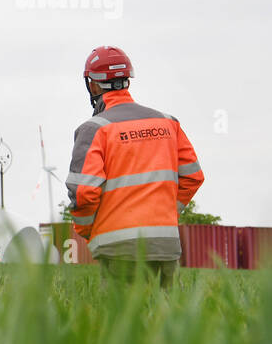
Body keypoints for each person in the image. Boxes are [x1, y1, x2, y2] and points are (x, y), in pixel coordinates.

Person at [66, 46, 204, 287]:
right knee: (166, 319)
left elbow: (84, 194)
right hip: (165, 244)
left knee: (122, 322)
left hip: (118, 248)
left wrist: (89, 230)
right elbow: (193, 177)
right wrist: (163, 213)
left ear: (94, 85)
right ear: (127, 80)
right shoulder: (168, 123)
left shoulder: (94, 130)